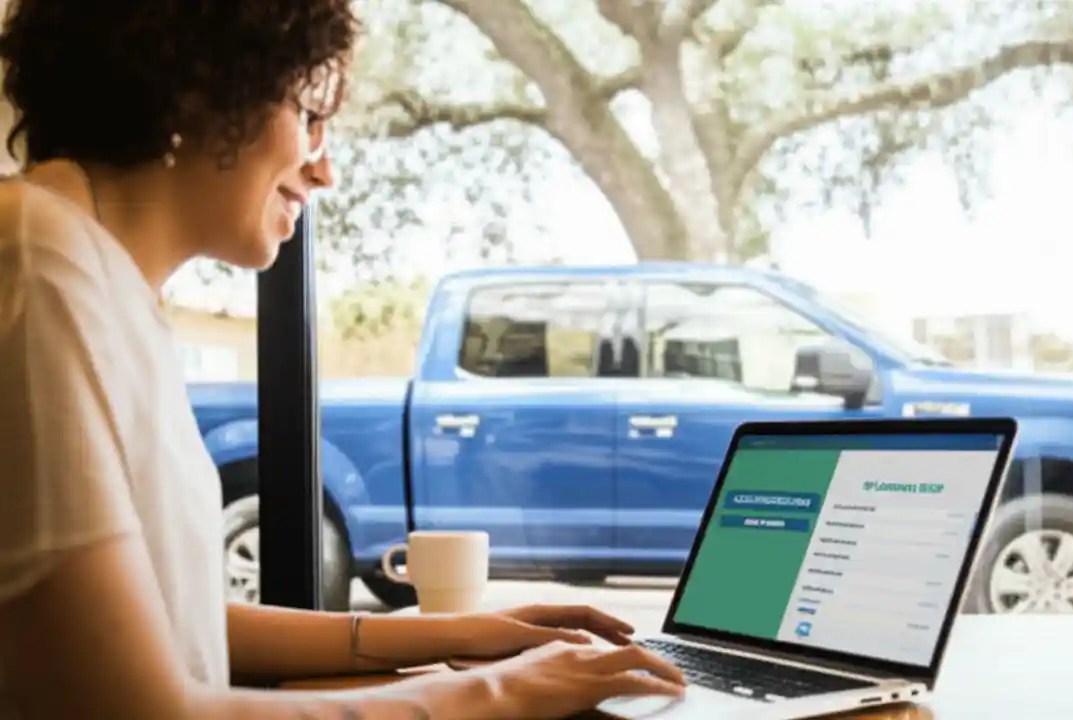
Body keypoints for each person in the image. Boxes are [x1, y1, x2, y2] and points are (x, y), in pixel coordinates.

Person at [0, 1, 685, 718]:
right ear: (203, 86)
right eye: (311, 117)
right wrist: (498, 692)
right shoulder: (37, 260)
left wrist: (456, 635)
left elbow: (177, 623)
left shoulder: (102, 284)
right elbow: (139, 708)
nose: (324, 169)